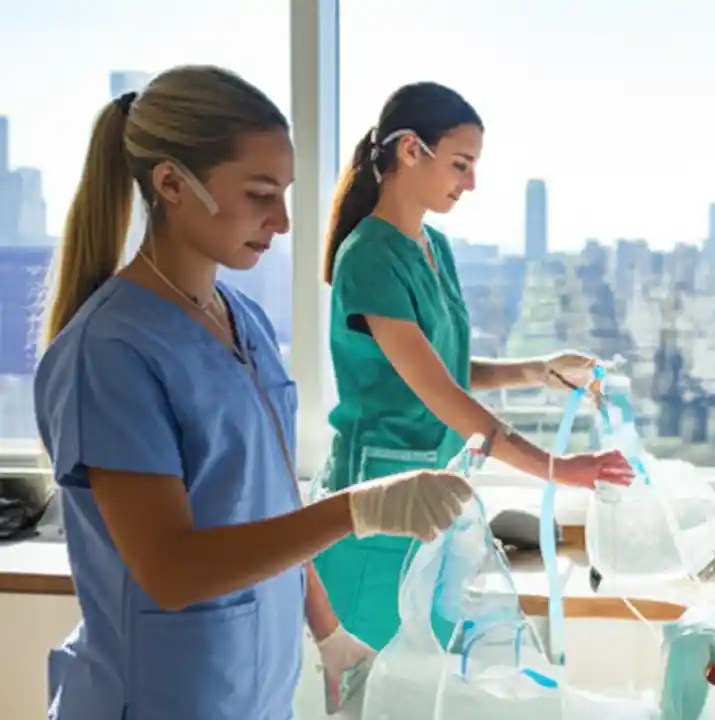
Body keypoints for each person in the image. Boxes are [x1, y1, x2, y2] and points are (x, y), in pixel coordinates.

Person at [33, 66, 473, 719]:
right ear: (172, 184)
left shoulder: (245, 323)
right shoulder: (111, 352)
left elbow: (270, 502)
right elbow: (171, 569)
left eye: (285, 193)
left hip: (254, 695)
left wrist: (328, 632)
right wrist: (358, 510)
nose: (284, 221)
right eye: (260, 193)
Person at [312, 81, 634, 651]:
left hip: (433, 496)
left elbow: (446, 366)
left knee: (429, 677)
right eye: (461, 164)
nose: (471, 183)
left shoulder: (432, 247)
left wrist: (539, 371)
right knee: (374, 680)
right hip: (378, 503)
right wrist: (558, 469)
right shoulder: (369, 257)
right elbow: (443, 396)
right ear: (410, 150)